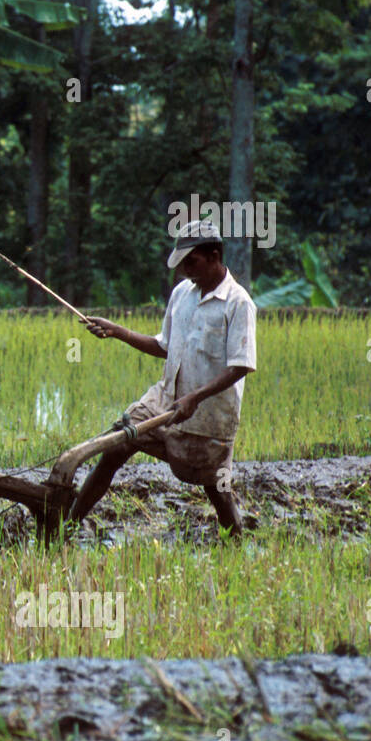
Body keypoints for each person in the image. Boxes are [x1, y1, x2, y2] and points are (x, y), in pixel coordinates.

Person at [72, 220, 257, 536]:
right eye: (182, 263)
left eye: (192, 261)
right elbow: (165, 347)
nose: (185, 270)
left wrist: (195, 398)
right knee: (114, 447)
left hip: (208, 416)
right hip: (164, 401)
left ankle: (235, 543)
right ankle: (68, 524)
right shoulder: (182, 294)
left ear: (214, 255)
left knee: (216, 487)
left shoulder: (238, 303)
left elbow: (240, 366)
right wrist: (117, 331)